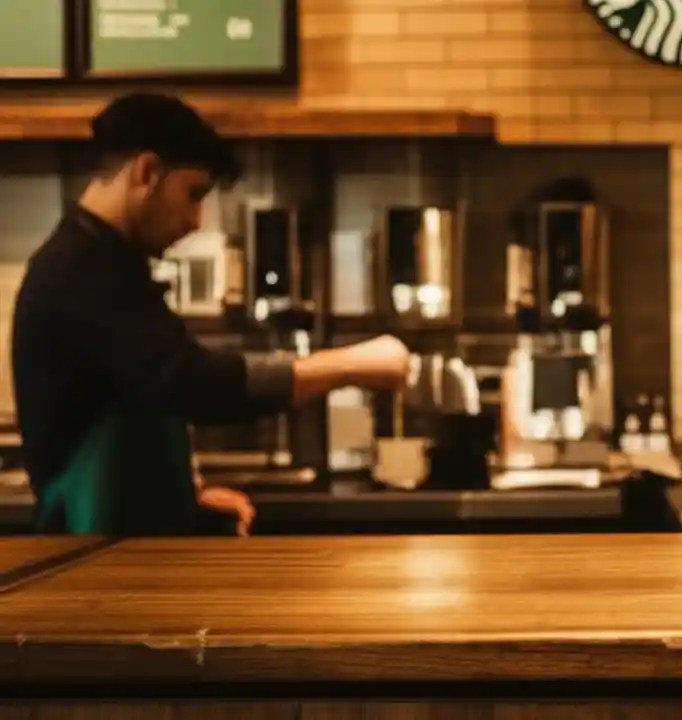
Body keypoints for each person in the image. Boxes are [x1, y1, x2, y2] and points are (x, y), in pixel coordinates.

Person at [11, 92, 410, 537]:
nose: (197, 220)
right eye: (193, 194)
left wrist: (184, 493)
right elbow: (190, 382)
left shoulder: (103, 261)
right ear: (147, 172)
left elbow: (129, 399)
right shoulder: (83, 269)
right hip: (92, 565)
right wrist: (349, 365)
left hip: (113, 550)